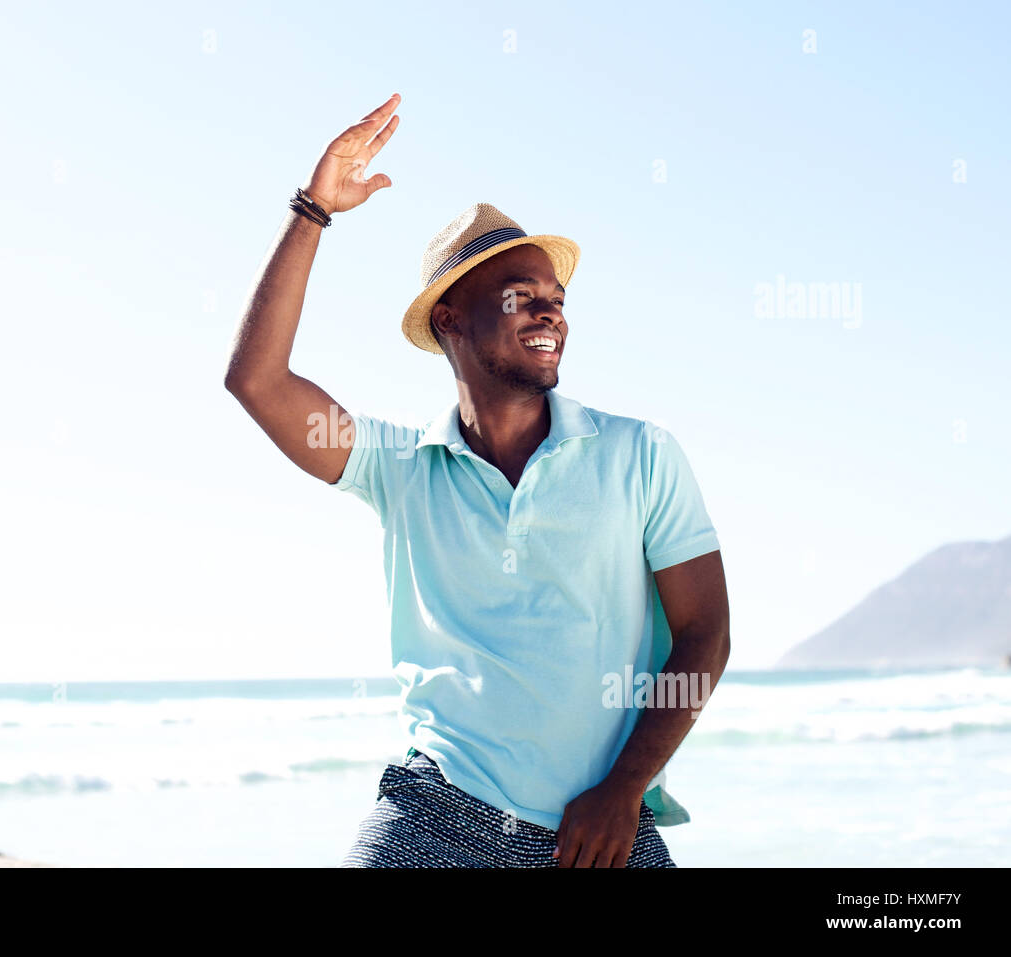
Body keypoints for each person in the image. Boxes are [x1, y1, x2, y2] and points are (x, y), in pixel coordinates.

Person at [223, 93, 730, 868]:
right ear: (450, 318)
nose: (549, 313)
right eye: (521, 296)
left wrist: (624, 790)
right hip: (433, 819)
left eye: (556, 301)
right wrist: (312, 208)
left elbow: (705, 633)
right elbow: (257, 380)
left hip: (599, 828)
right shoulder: (396, 466)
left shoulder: (640, 454)